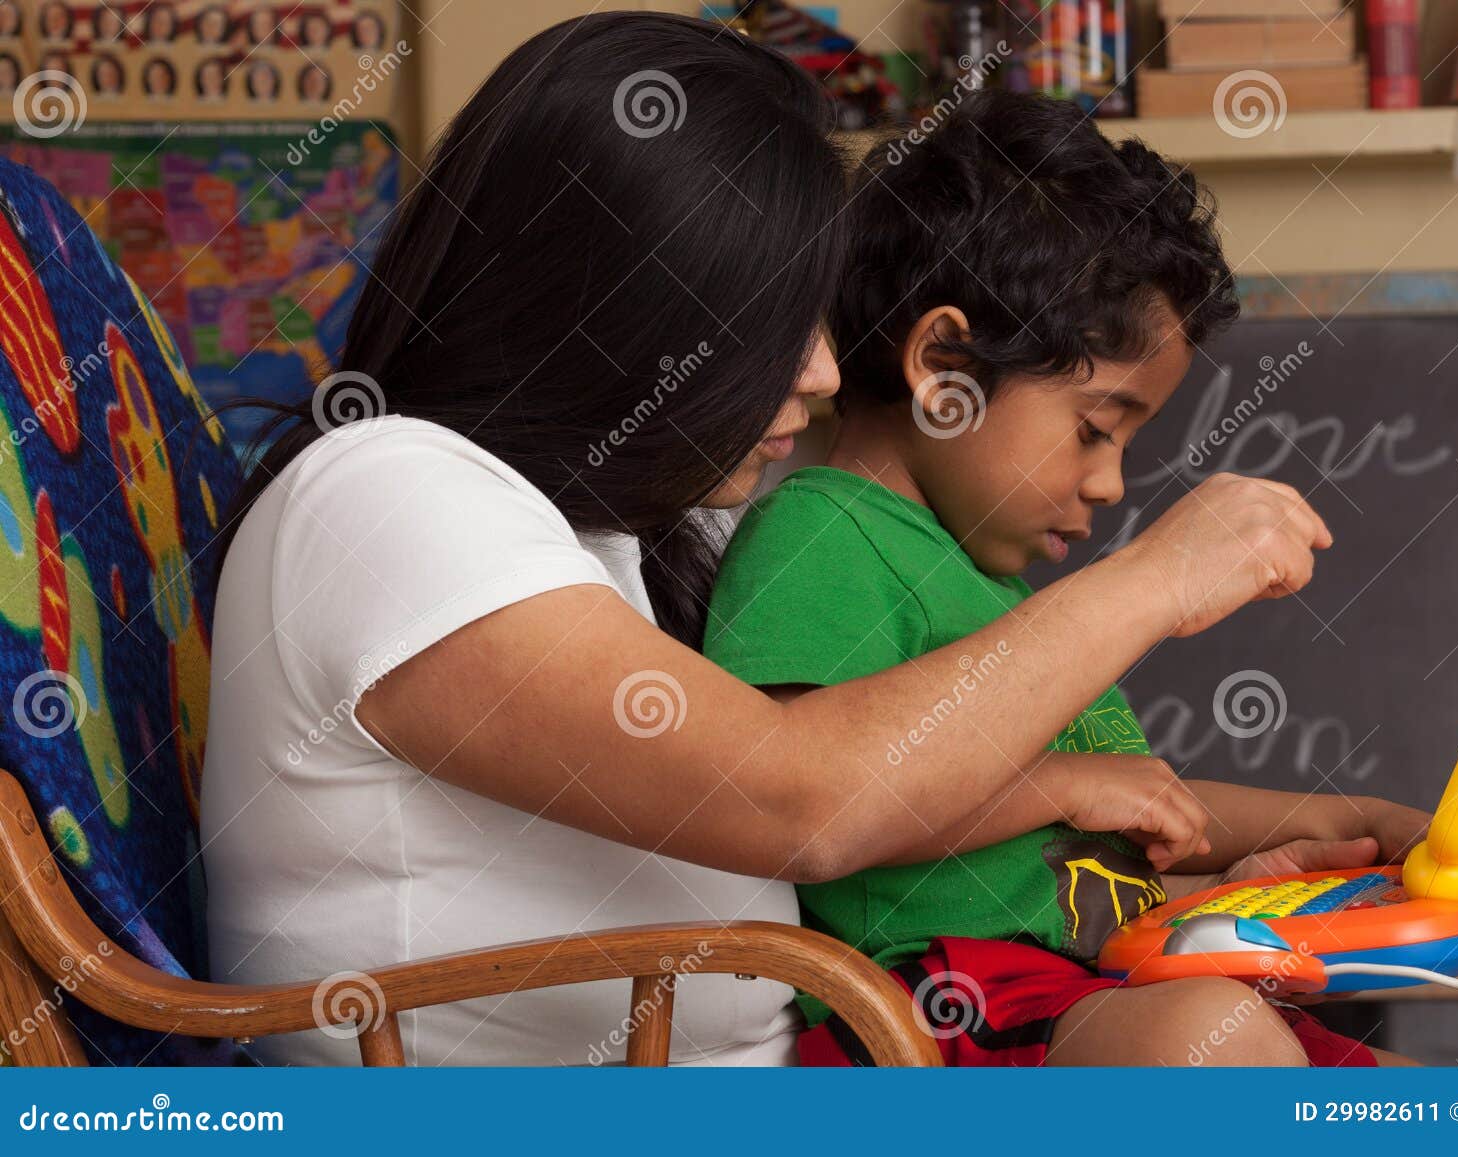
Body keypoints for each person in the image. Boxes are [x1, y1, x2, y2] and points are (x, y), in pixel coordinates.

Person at [200, 13, 1331, 1067]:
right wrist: (1153, 577)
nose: (827, 372)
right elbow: (801, 797)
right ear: (632, 307)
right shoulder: (389, 491)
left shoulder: (616, 536)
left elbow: (902, 802)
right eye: (770, 321)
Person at [704, 91, 1429, 1068]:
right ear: (944, 365)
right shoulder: (820, 532)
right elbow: (810, 792)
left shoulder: (992, 586)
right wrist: (1060, 782)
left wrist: (1347, 823)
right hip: (951, 1006)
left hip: (1103, 983)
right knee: (1203, 1048)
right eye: (1094, 427)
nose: (1110, 482)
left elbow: (1143, 800)